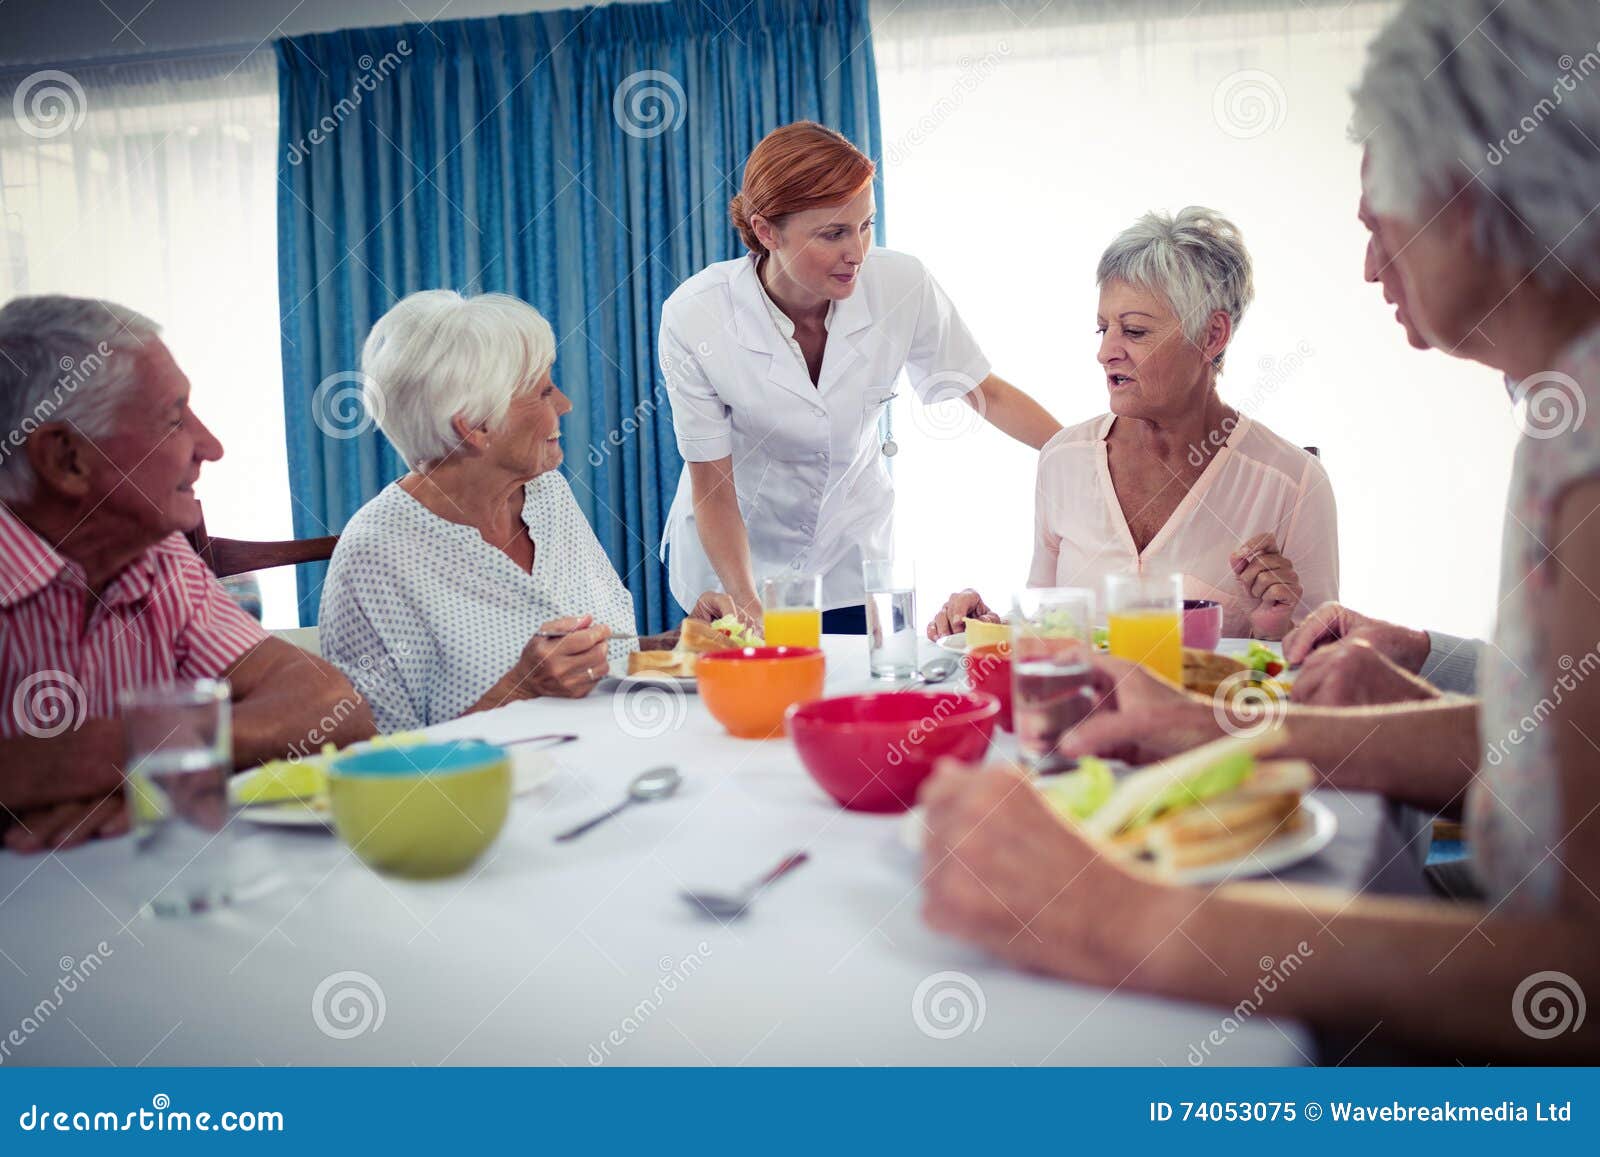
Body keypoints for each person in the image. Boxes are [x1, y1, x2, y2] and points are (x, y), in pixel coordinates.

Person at [918, 0, 1600, 1061]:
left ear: (1471, 201)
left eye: (1385, 221)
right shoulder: (1562, 415)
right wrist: (1231, 725)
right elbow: (1551, 759)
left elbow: (1576, 971)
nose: (1372, 267)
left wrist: (1119, 918)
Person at [0, 296, 375, 852]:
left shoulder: (159, 559)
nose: (212, 447)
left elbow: (335, 706)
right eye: (174, 418)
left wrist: (121, 760)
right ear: (66, 459)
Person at [658, 121, 1061, 632]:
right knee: (755, 706)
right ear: (766, 232)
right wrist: (746, 599)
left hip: (849, 548)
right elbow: (713, 483)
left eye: (865, 225)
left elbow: (986, 392)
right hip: (735, 557)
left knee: (857, 693)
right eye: (833, 234)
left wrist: (1090, 452)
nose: (857, 252)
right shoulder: (696, 315)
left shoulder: (900, 284)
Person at [319, 291, 733, 733]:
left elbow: (593, 659)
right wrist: (520, 687)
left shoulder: (545, 492)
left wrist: (674, 644)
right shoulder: (375, 555)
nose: (566, 404)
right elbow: (379, 765)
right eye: (543, 392)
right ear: (475, 426)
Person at [931, 208, 1337, 641]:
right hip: (1081, 711)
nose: (1106, 352)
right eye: (1103, 328)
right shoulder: (1062, 459)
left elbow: (1322, 667)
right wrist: (985, 628)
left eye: (1135, 331)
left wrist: (1275, 629)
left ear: (1212, 335)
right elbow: (1044, 627)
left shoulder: (1292, 484)